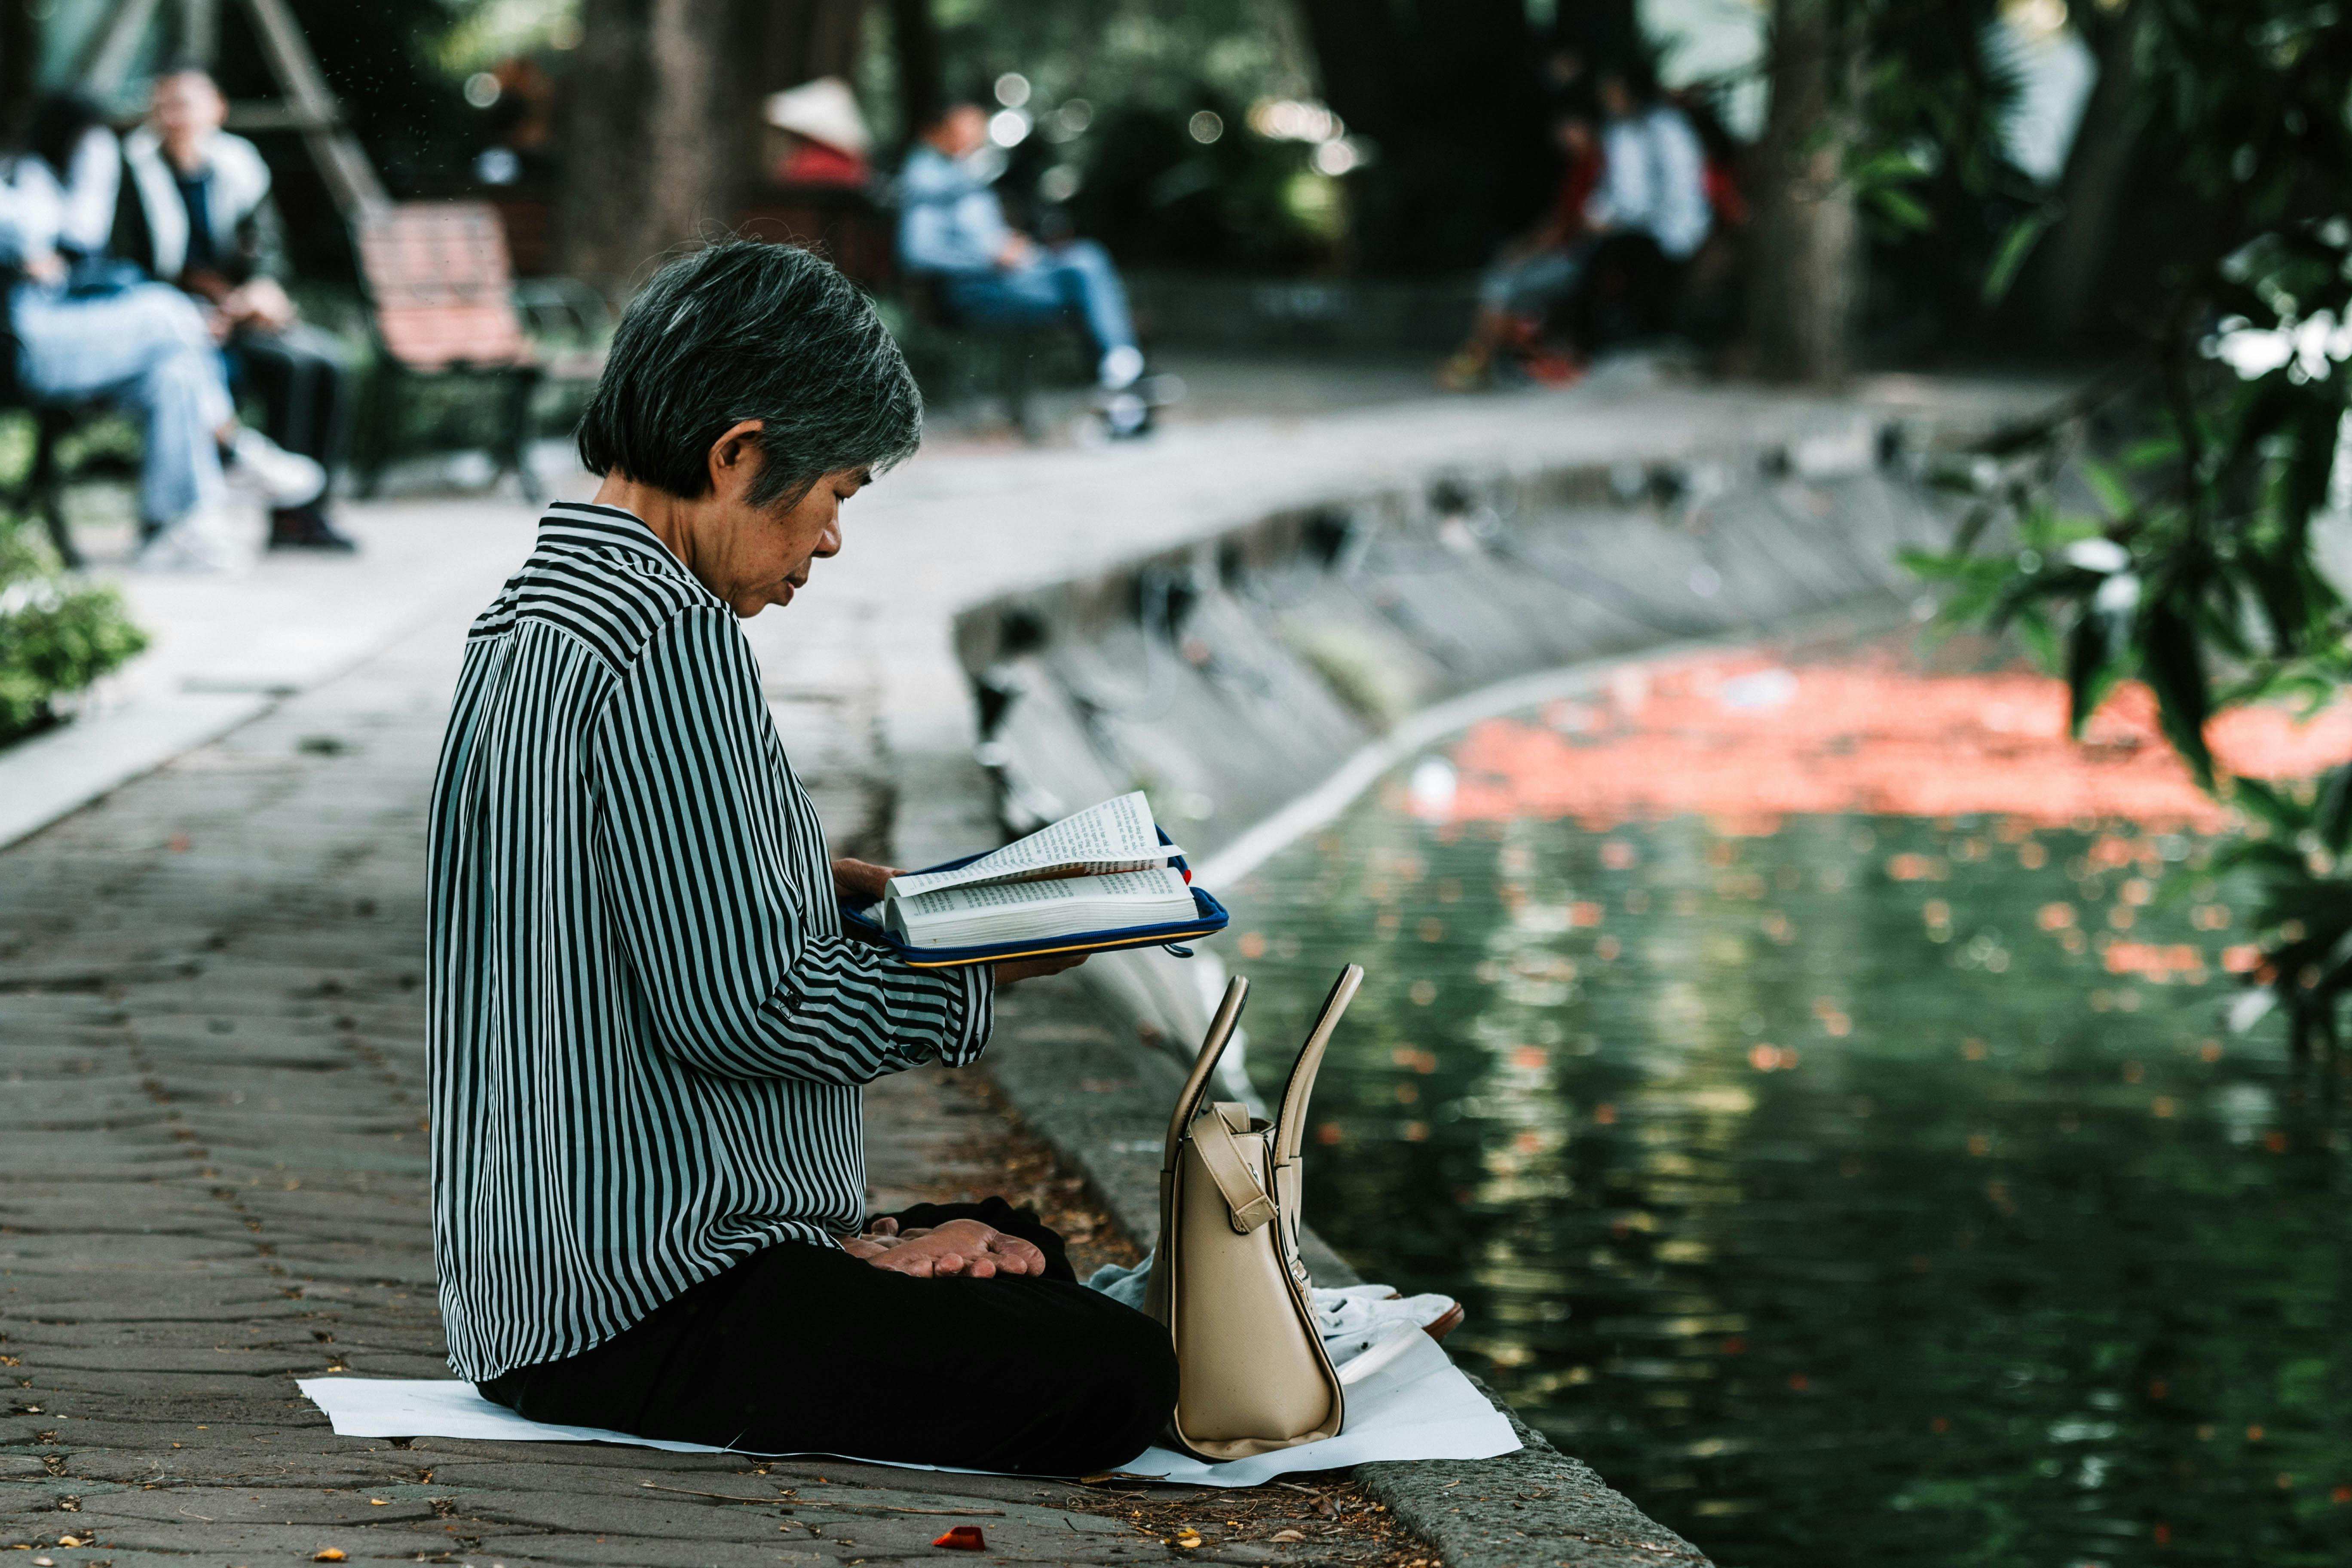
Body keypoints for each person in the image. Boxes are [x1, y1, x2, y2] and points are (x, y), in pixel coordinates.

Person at [428, 240, 1177, 1475]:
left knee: (1008, 1239)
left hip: (531, 1278)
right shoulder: (670, 641)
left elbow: (578, 880)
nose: (828, 542)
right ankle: (846, 1258)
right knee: (1117, 1375)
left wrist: (814, 883)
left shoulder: (533, 612)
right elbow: (753, 1014)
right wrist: (1002, 963)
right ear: (737, 456)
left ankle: (860, 1251)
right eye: (834, 492)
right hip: (642, 1300)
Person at [2, 149, 322, 573]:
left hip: (45, 322)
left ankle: (172, 529)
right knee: (169, 313)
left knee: (174, 370)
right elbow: (28, 232)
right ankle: (231, 452)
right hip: (20, 342)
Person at [113, 63, 354, 552]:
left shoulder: (238, 168)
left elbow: (269, 249)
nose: (175, 117)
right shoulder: (133, 174)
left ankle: (303, 516)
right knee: (290, 367)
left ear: (216, 110)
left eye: (186, 104)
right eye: (166, 105)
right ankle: (267, 505)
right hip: (175, 321)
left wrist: (262, 290)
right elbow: (127, 261)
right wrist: (189, 309)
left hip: (239, 317)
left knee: (328, 361)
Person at [898, 101, 1152, 438]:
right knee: (1087, 281)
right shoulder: (928, 181)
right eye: (970, 126)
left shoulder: (960, 174)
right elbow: (918, 252)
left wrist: (1015, 249)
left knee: (1087, 261)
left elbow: (985, 239)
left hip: (1007, 279)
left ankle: (1120, 376)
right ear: (942, 131)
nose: (979, 134)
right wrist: (990, 257)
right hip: (973, 290)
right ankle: (1122, 375)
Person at [1440, 95, 1606, 390]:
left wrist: (1528, 252)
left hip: (1578, 257)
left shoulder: (1598, 166)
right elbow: (1556, 219)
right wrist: (1524, 247)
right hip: (1565, 253)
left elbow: (1569, 226)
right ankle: (1481, 358)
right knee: (1502, 281)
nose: (1562, 138)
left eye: (1567, 130)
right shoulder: (1579, 168)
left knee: (1502, 285)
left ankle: (1479, 359)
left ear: (1584, 128)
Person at [1571, 63, 1713, 353]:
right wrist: (1595, 214)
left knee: (1637, 260)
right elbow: (1613, 187)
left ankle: (1650, 336)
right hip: (1630, 226)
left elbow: (1678, 190)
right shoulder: (1616, 132)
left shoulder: (1668, 129)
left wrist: (1620, 219)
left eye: (1613, 93)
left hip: (1673, 226)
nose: (1608, 100)